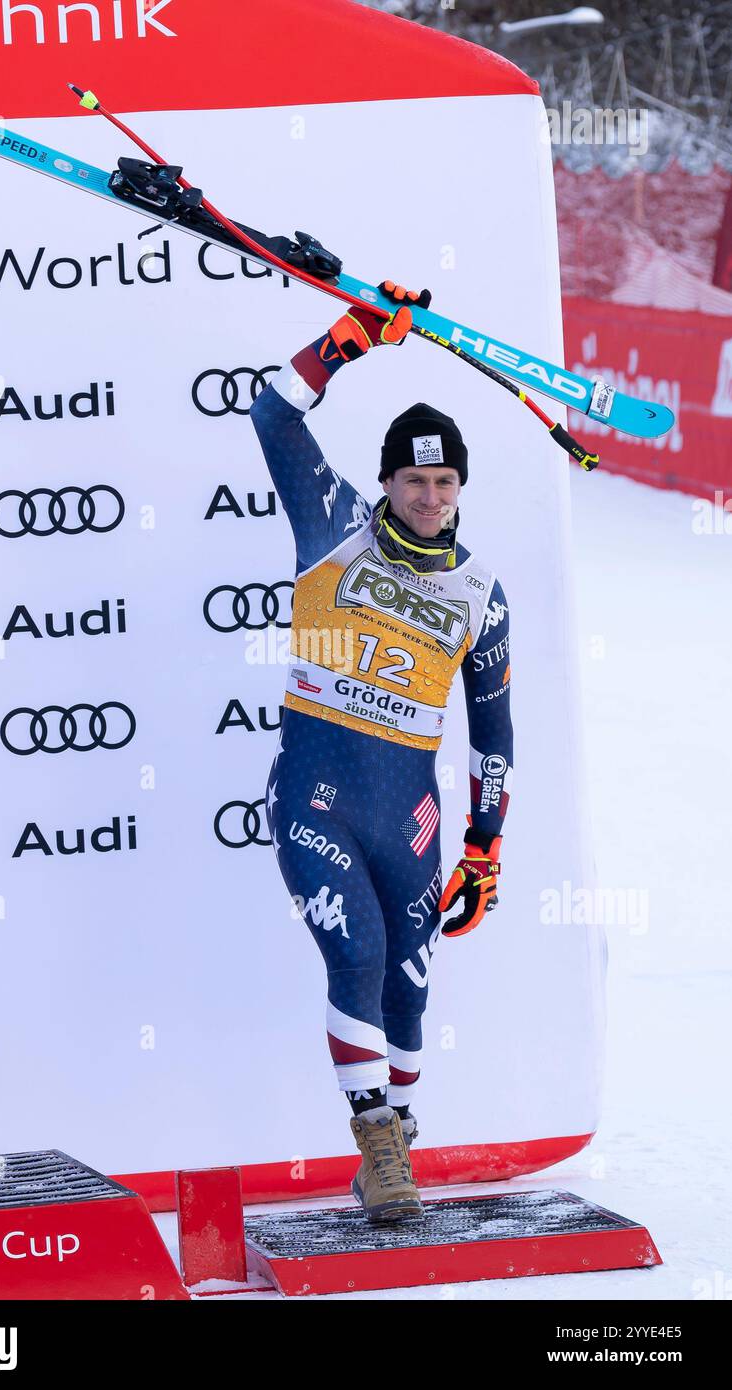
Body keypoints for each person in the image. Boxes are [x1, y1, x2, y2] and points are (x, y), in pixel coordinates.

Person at [249, 283, 513, 1223]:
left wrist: (484, 846)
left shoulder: (482, 590)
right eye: (414, 480)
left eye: (445, 484)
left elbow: (496, 733)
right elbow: (272, 410)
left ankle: (395, 1143)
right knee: (354, 958)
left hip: (412, 812)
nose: (430, 497)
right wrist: (346, 340)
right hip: (318, 796)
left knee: (409, 975)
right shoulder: (333, 526)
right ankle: (379, 1149)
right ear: (389, 481)